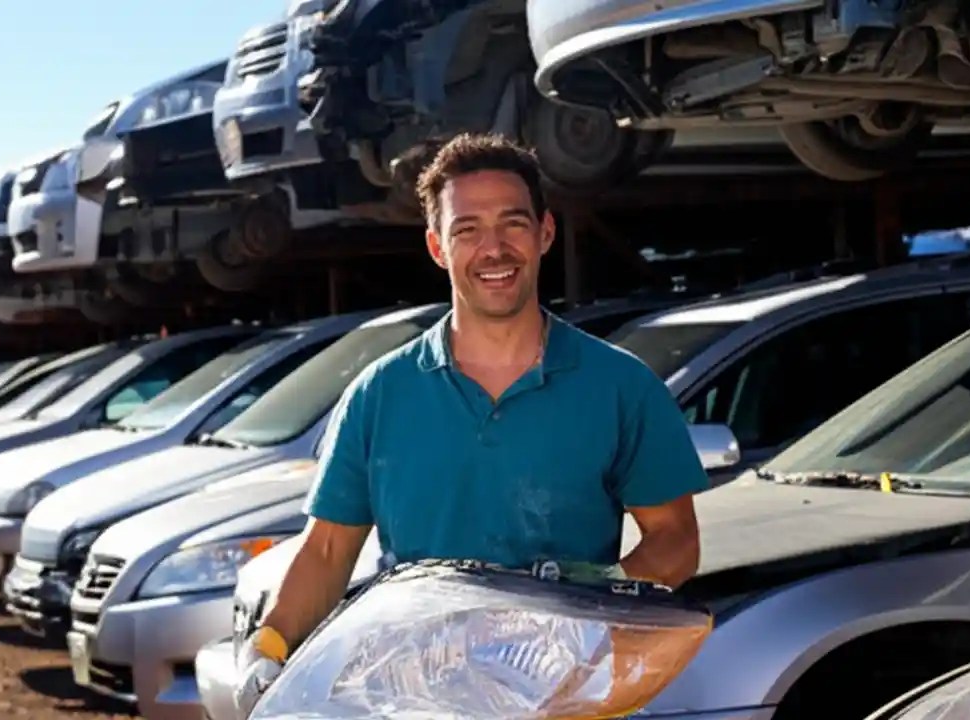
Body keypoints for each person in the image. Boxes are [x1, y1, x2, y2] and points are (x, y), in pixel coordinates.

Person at [234, 132, 709, 714]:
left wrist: (575, 633)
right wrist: (270, 644)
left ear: (546, 233)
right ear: (437, 246)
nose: (494, 249)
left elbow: (675, 541)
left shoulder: (621, 386)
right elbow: (328, 551)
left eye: (513, 223)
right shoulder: (380, 394)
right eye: (467, 229)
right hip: (415, 700)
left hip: (565, 701)